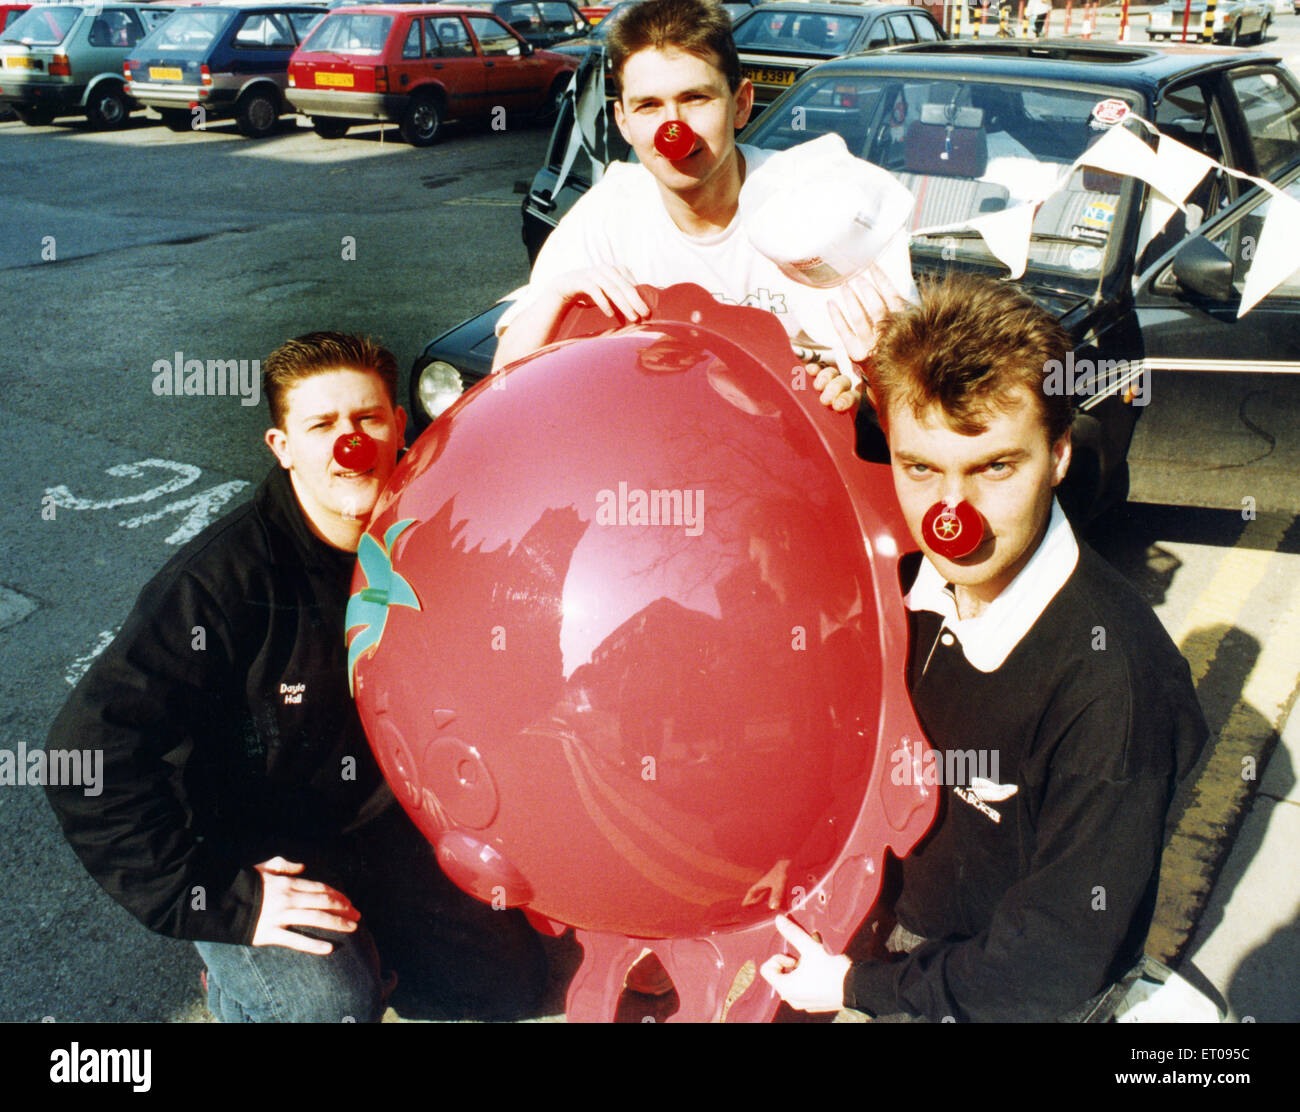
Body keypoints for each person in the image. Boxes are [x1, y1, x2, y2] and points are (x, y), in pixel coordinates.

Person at [45, 332, 546, 1022]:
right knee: (329, 1007)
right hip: (261, 852)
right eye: (321, 425)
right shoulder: (219, 583)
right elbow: (83, 758)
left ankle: (372, 951)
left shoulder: (438, 531)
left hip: (381, 829)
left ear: (400, 426)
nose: (351, 443)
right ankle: (239, 987)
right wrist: (218, 897)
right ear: (282, 448)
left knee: (508, 986)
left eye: (368, 419)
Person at [759, 274, 1208, 1021]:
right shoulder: (906, 578)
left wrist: (853, 988)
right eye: (921, 469)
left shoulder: (1114, 687)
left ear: (1060, 454)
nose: (950, 518)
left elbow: (1046, 965)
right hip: (903, 934)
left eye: (995, 467)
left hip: (999, 993)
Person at [491, 0, 910, 412]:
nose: (673, 130)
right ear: (624, 122)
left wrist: (860, 383)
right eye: (649, 105)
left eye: (695, 98)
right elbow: (504, 380)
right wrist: (557, 294)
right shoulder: (610, 209)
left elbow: (910, 386)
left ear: (741, 104)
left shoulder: (814, 202)